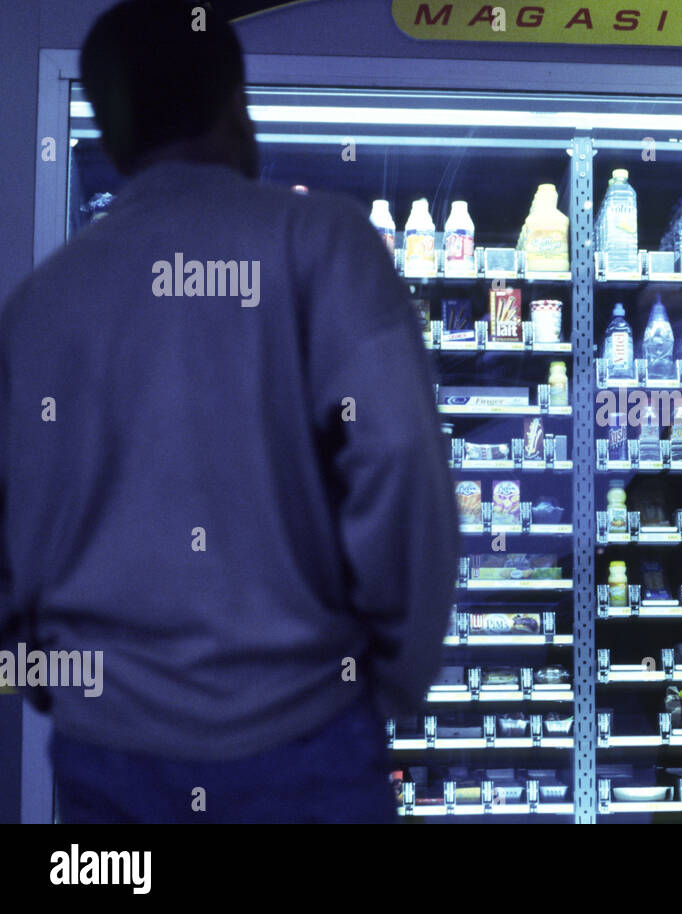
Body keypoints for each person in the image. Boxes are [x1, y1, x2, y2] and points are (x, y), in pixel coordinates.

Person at [0, 0, 458, 823]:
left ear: (109, 136)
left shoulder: (38, 306)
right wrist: (392, 676)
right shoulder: (325, 242)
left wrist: (46, 678)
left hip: (105, 754)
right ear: (236, 107)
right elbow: (398, 463)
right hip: (308, 742)